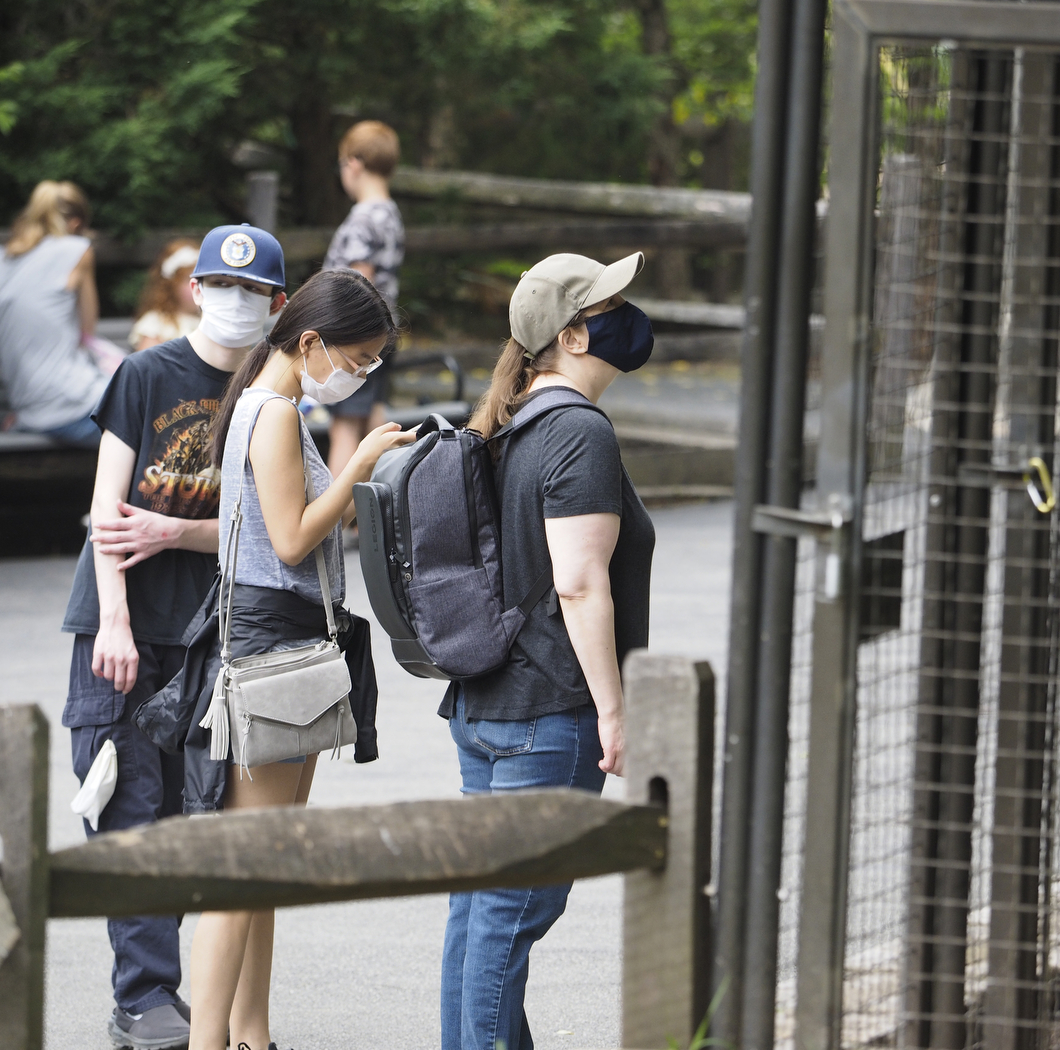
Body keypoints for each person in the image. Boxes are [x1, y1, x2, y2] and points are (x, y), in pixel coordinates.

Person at [59, 224, 288, 1050]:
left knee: (205, 808)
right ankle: (146, 997)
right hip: (121, 624)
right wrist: (112, 623)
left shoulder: (270, 391)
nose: (236, 304)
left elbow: (263, 523)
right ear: (194, 289)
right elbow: (106, 513)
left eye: (254, 293)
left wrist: (174, 532)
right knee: (129, 807)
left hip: (210, 631)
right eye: (221, 287)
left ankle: (211, 1007)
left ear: (277, 304)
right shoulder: (146, 375)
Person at [187, 268, 414, 1050]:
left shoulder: (270, 404)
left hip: (291, 638)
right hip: (274, 645)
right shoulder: (274, 412)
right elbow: (290, 538)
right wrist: (360, 463)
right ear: (310, 341)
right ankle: (210, 1040)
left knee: (267, 862)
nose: (360, 375)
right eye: (358, 358)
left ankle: (252, 1034)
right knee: (244, 868)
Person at [439, 252, 657, 1050]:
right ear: (571, 334)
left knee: (479, 913)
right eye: (612, 305)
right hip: (550, 712)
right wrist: (614, 711)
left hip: (488, 703)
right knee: (506, 919)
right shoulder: (577, 431)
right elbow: (577, 582)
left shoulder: (509, 420)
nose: (628, 314)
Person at [0, 180, 106, 447]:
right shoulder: (77, 250)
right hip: (78, 407)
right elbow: (86, 335)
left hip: (29, 414)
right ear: (76, 224)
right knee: (160, 419)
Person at [322, 119, 406, 478]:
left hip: (356, 336)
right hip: (383, 335)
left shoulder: (361, 219)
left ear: (352, 164)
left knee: (344, 427)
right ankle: (379, 512)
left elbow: (359, 282)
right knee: (374, 422)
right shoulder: (390, 213)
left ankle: (333, 524)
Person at [131, 239, 202, 351]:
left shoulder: (206, 320)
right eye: (189, 280)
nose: (198, 286)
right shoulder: (157, 323)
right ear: (171, 285)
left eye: (202, 280)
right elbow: (147, 366)